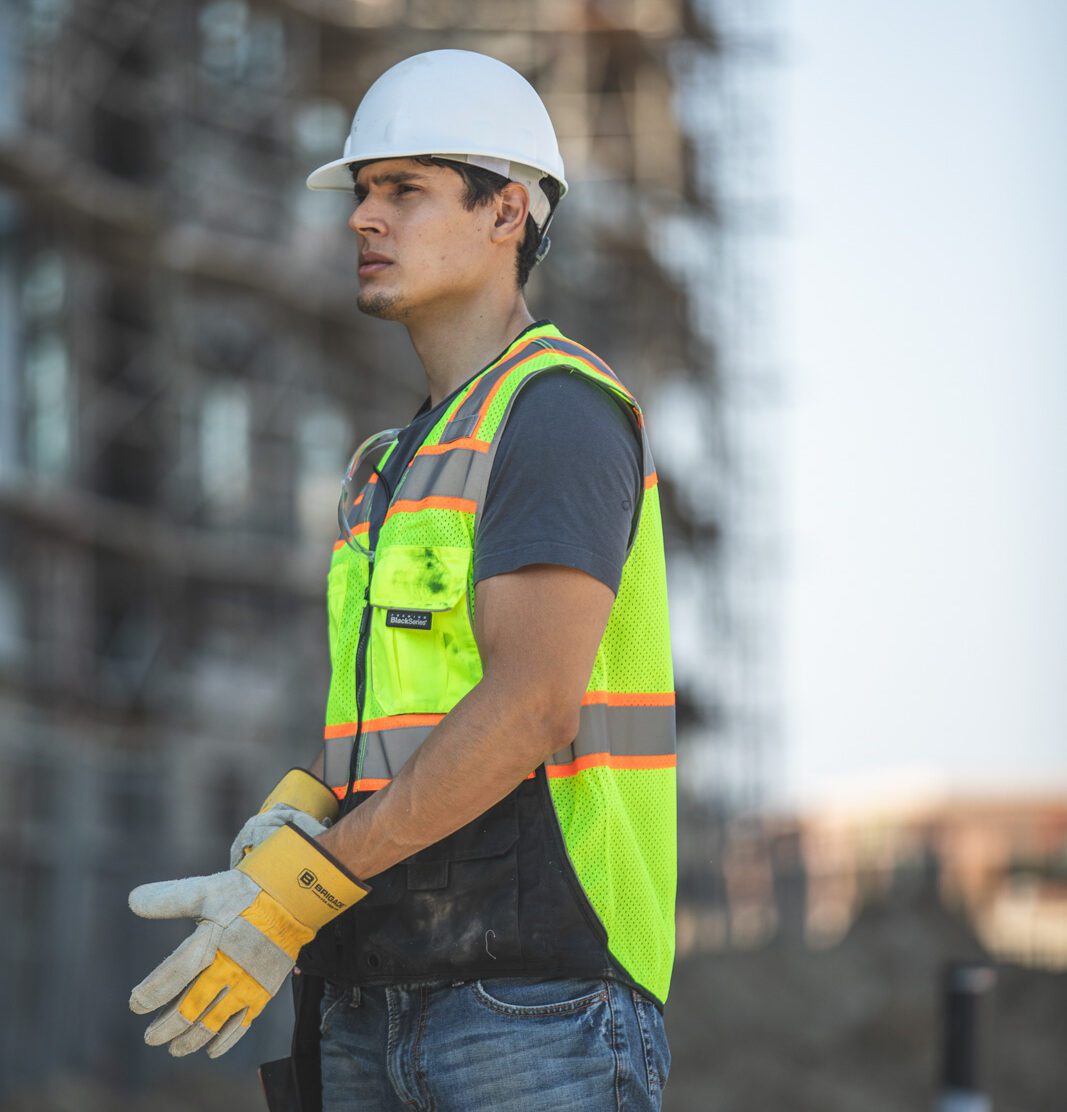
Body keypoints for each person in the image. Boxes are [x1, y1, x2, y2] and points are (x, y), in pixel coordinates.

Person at [128, 49, 677, 1111]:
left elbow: (528, 705)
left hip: (533, 1003)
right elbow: (392, 717)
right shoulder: (387, 463)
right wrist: (291, 822)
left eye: (402, 189)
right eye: (362, 191)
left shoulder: (555, 410)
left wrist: (302, 891)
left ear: (505, 210)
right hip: (371, 991)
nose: (360, 219)